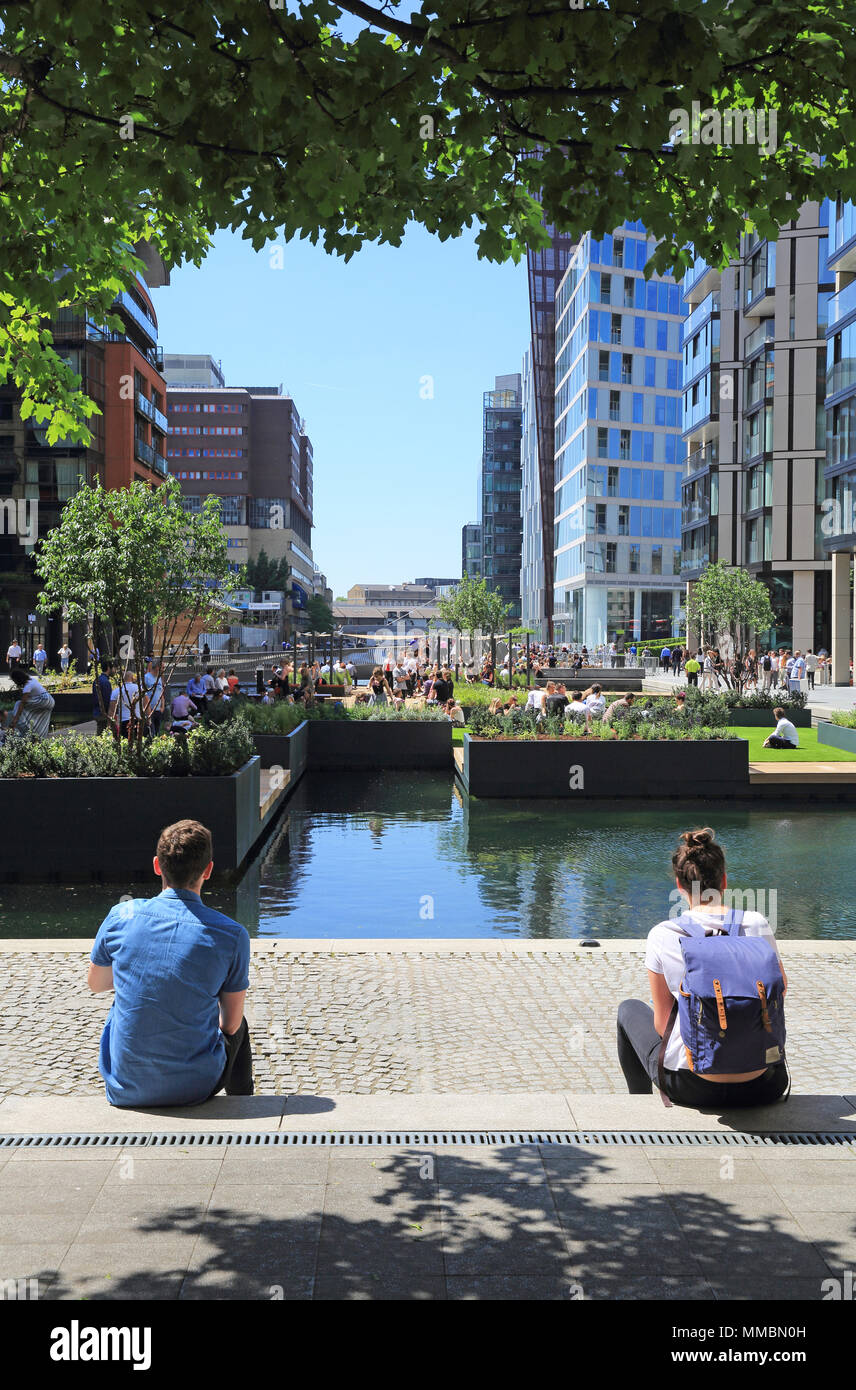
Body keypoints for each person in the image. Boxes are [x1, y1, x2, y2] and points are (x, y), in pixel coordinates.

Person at [616, 829, 789, 1108]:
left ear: (678, 884)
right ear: (724, 880)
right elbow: (779, 990)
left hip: (692, 1086)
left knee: (628, 1010)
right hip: (765, 1083)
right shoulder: (757, 924)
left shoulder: (664, 934)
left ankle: (640, 1109)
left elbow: (662, 1025)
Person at [88, 820, 253, 1108]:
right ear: (208, 870)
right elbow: (230, 1025)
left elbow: (96, 983)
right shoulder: (232, 935)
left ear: (156, 865)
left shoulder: (121, 915)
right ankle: (243, 1101)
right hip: (195, 1087)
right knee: (241, 1023)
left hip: (125, 1087)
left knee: (122, 1006)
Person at [5, 664, 55, 738]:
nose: (14, 682)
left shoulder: (27, 687)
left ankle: (23, 725)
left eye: (14, 680)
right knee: (40, 718)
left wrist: (16, 719)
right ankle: (38, 735)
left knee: (18, 704)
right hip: (50, 700)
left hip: (44, 701)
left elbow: (23, 702)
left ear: (18, 679)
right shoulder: (31, 679)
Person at [92, 660, 117, 735]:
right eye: (114, 668)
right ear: (109, 668)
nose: (115, 670)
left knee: (100, 733)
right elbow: (107, 700)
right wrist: (110, 714)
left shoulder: (96, 680)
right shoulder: (105, 682)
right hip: (103, 713)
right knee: (103, 735)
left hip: (97, 711)